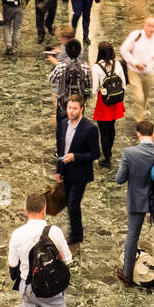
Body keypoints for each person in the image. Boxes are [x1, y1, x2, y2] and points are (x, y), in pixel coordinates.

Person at [114, 119, 154, 288]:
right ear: (153, 134)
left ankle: (127, 274)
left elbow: (119, 179)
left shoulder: (129, 153)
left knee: (132, 237)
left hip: (137, 200)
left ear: (137, 134)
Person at [54, 93, 98, 246]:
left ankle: (77, 234)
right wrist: (58, 170)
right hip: (66, 171)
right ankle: (74, 229)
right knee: (69, 201)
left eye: (74, 108)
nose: (71, 111)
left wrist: (75, 156)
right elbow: (61, 149)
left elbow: (95, 153)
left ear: (81, 109)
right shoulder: (64, 123)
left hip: (81, 173)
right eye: (69, 108)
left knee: (73, 203)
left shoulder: (89, 129)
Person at [120, 18, 154, 123]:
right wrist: (135, 63)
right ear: (144, 25)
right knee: (139, 98)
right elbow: (123, 49)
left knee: (145, 97)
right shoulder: (136, 36)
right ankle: (139, 121)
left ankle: (142, 112)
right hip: (134, 72)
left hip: (149, 73)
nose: (151, 28)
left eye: (153, 26)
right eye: (149, 26)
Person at [90, 41, 126, 167]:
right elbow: (123, 83)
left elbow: (95, 88)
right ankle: (108, 151)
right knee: (111, 127)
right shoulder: (117, 64)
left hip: (104, 102)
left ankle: (107, 158)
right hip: (116, 101)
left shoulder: (97, 67)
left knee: (103, 131)